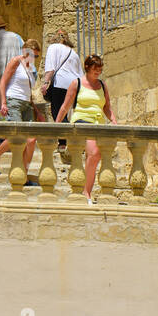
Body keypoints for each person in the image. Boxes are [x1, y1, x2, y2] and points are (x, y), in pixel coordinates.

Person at [54, 53, 118, 205]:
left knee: (95, 157)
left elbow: (106, 108)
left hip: (98, 123)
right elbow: (65, 106)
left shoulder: (102, 85)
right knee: (94, 152)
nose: (98, 72)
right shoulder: (77, 83)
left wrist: (114, 121)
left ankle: (86, 190)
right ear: (87, 68)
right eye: (95, 69)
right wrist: (56, 125)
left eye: (100, 69)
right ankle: (86, 192)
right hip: (82, 121)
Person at [0, 38, 41, 180]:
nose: (34, 58)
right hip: (13, 101)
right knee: (17, 136)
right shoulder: (16, 61)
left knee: (31, 140)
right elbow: (3, 82)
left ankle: (23, 174)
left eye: (36, 56)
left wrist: (36, 110)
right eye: (32, 55)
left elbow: (29, 91)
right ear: (25, 52)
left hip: (26, 104)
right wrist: (3, 103)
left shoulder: (31, 68)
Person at [41, 29, 82, 124]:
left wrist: (45, 83)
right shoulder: (74, 53)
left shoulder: (53, 47)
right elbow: (80, 74)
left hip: (60, 84)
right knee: (69, 115)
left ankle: (63, 139)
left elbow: (51, 68)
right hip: (75, 85)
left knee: (58, 115)